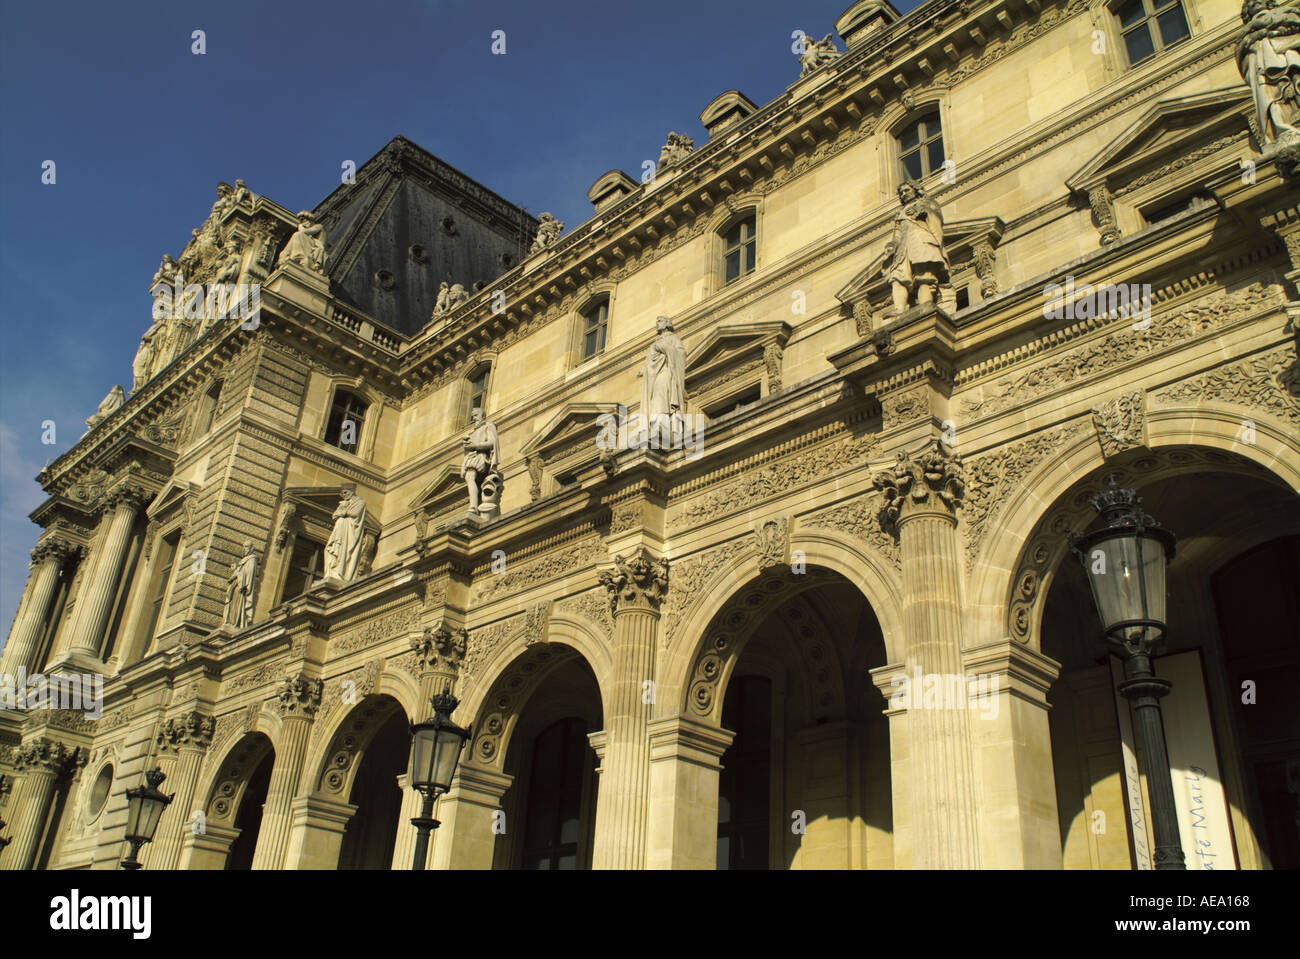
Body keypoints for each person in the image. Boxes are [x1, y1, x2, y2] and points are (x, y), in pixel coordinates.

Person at [883, 180, 949, 313]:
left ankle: (925, 305)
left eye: (906, 190)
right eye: (901, 192)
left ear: (916, 190)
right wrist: (892, 245)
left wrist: (925, 211)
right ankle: (899, 308)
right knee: (897, 276)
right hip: (903, 246)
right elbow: (897, 234)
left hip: (921, 241)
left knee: (924, 274)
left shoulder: (926, 203)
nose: (903, 194)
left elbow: (936, 220)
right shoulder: (900, 214)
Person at [323, 484, 366, 580]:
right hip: (339, 530)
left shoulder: (360, 502)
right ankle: (333, 571)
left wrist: (343, 511)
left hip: (349, 530)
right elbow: (334, 515)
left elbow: (355, 513)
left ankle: (340, 572)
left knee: (343, 550)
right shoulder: (342, 503)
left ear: (352, 491)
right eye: (342, 493)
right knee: (330, 549)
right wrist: (342, 509)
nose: (344, 495)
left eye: (345, 492)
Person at [462, 408, 500, 512]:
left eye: (476, 415)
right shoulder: (473, 432)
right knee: (470, 478)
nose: (474, 418)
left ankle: (473, 506)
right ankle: (475, 504)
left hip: (481, 457)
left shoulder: (488, 426)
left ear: (483, 416)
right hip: (472, 457)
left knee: (470, 477)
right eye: (472, 416)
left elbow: (492, 442)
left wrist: (475, 446)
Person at [224, 541, 258, 629]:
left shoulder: (252, 559)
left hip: (241, 586)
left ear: (251, 548)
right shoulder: (244, 560)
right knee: (232, 604)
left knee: (238, 604)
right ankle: (230, 621)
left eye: (246, 547)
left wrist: (245, 584)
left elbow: (250, 573)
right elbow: (241, 571)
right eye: (244, 547)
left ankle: (235, 623)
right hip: (237, 584)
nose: (245, 549)